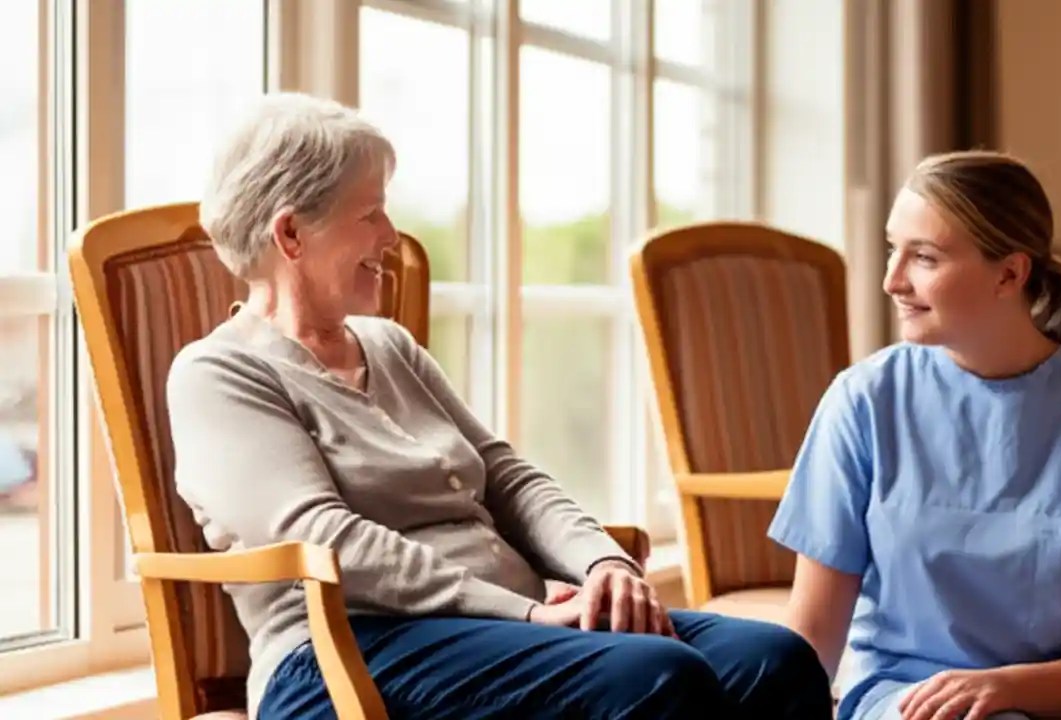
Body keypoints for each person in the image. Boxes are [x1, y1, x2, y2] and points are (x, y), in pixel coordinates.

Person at [167, 93, 831, 720]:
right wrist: (525, 614)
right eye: (369, 214)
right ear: (290, 234)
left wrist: (602, 562)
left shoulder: (389, 346)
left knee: (775, 660)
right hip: (343, 653)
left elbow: (506, 476)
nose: (391, 236)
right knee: (657, 677)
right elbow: (325, 538)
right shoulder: (219, 374)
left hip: (502, 626)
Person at [768, 150, 1061, 720]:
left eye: (924, 257)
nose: (892, 280)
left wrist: (1007, 689)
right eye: (892, 249)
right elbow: (812, 645)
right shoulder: (863, 403)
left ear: (1009, 274)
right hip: (906, 702)